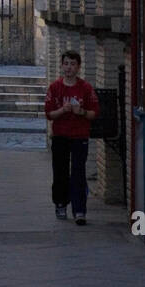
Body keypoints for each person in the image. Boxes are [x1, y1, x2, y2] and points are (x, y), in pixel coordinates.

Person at [44, 50, 100, 225]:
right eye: (66, 63)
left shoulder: (85, 88)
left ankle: (79, 210)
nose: (69, 67)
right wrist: (63, 110)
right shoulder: (54, 87)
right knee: (60, 171)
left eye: (73, 64)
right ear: (62, 65)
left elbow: (94, 113)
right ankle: (60, 203)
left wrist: (81, 111)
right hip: (60, 135)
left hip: (79, 136)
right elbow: (49, 114)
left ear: (78, 67)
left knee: (78, 172)